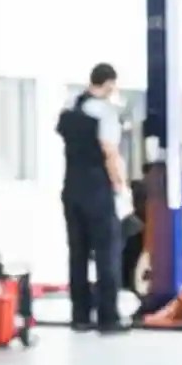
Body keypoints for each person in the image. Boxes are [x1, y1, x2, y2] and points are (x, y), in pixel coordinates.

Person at [56, 63, 129, 334]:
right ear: (109, 83)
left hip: (71, 188)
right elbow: (109, 152)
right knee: (106, 253)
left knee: (77, 254)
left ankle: (80, 315)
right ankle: (108, 317)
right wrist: (120, 186)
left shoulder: (70, 107)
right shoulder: (105, 113)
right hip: (98, 189)